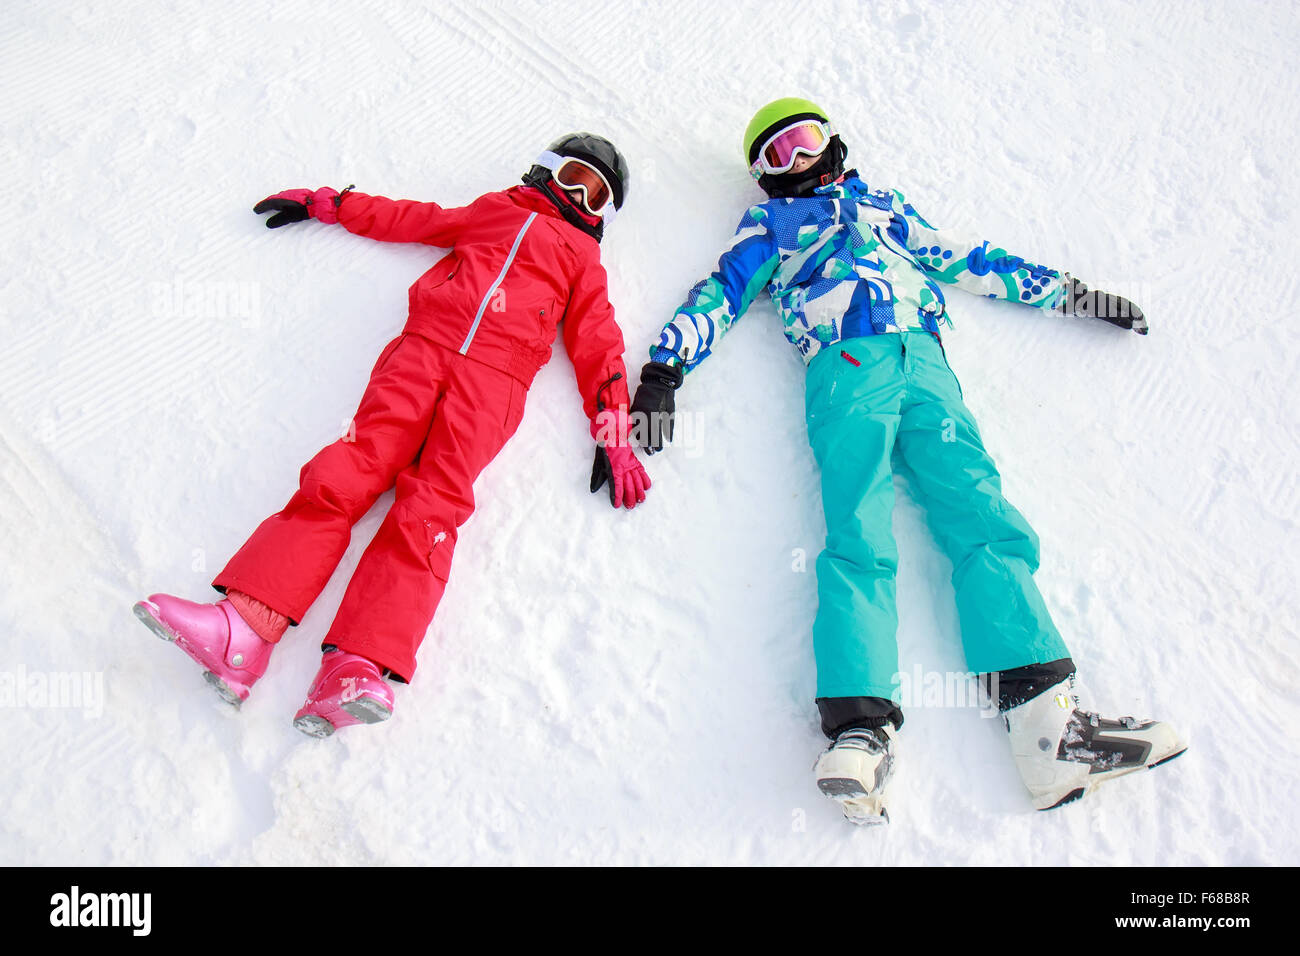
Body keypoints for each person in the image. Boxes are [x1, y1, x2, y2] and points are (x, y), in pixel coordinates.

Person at [629, 98, 1185, 823]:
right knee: (858, 534)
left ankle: (1049, 731)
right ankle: (859, 733)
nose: (795, 160)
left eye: (802, 141)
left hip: (926, 366)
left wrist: (1073, 295)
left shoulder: (883, 207)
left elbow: (968, 261)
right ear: (764, 178)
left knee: (982, 515)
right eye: (776, 155)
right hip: (847, 364)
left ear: (831, 142)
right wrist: (664, 369)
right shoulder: (771, 226)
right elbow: (722, 293)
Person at [134, 133, 650, 737]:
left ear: (603, 214)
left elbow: (599, 343)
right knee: (345, 471)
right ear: (544, 171)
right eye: (571, 178)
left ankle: (357, 667)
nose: (577, 196)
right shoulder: (492, 210)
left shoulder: (582, 260)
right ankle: (241, 630)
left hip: (494, 384)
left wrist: (615, 429)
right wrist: (333, 205)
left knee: (432, 508)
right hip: (421, 353)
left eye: (594, 194)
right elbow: (413, 219)